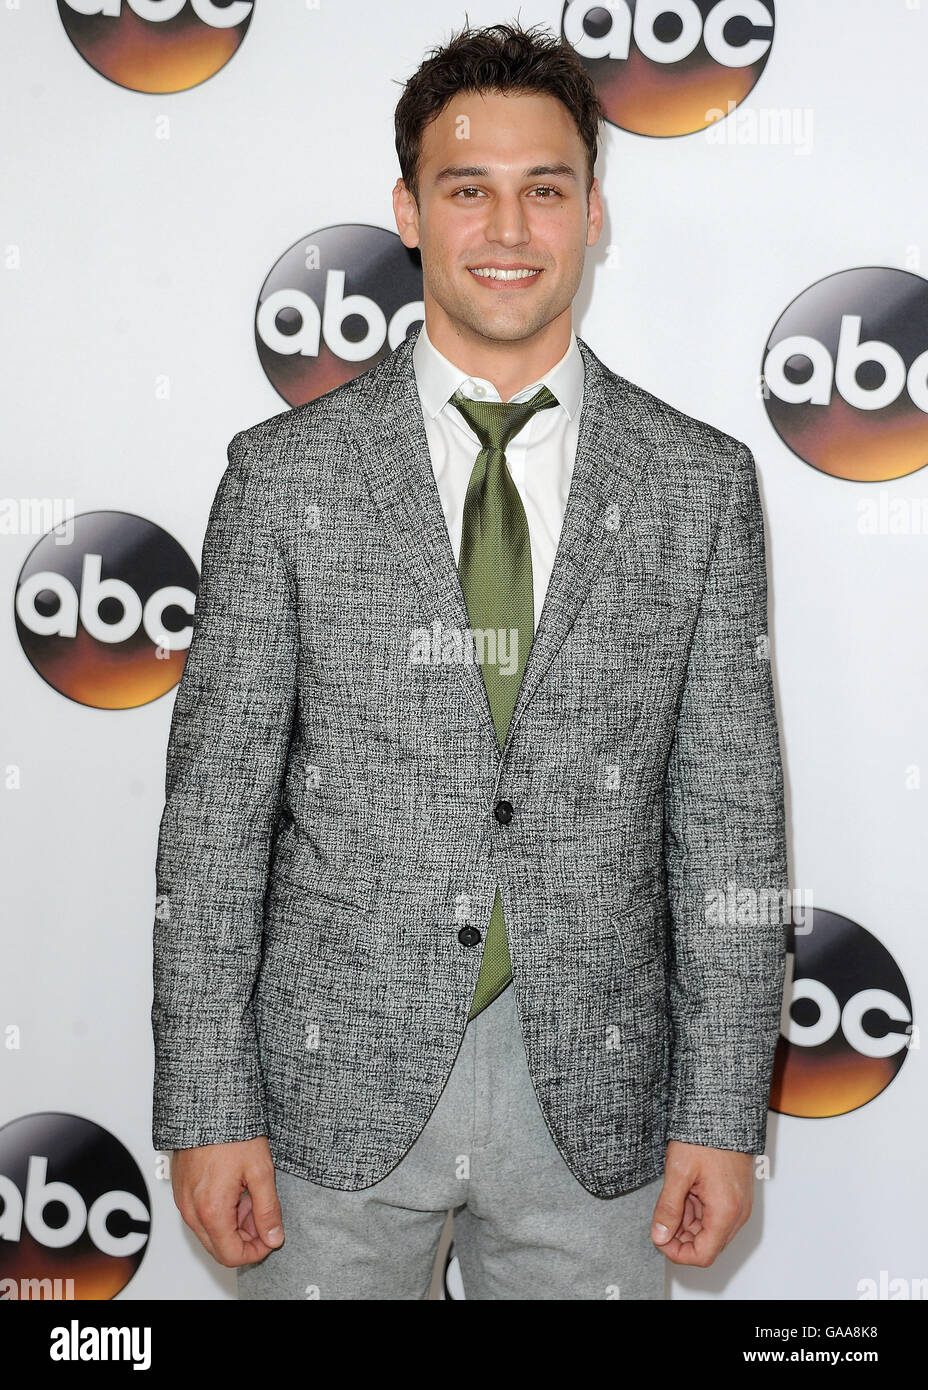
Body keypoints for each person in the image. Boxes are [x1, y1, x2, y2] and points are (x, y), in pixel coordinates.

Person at [151, 20, 789, 1301]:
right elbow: (214, 825)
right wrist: (207, 1103)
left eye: (544, 190)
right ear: (408, 210)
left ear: (592, 212)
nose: (508, 228)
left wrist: (723, 1113)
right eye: (467, 189)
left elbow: (728, 825)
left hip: (598, 1105)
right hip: (328, 1100)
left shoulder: (700, 484)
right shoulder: (281, 478)